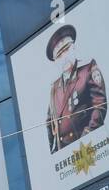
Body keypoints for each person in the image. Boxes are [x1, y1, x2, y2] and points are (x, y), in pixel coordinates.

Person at [45, 23, 106, 153]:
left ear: (74, 47)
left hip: (89, 145)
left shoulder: (88, 69)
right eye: (59, 55)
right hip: (65, 154)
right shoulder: (54, 88)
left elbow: (100, 106)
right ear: (55, 61)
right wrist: (54, 151)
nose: (64, 57)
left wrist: (87, 137)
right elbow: (49, 122)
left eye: (66, 49)